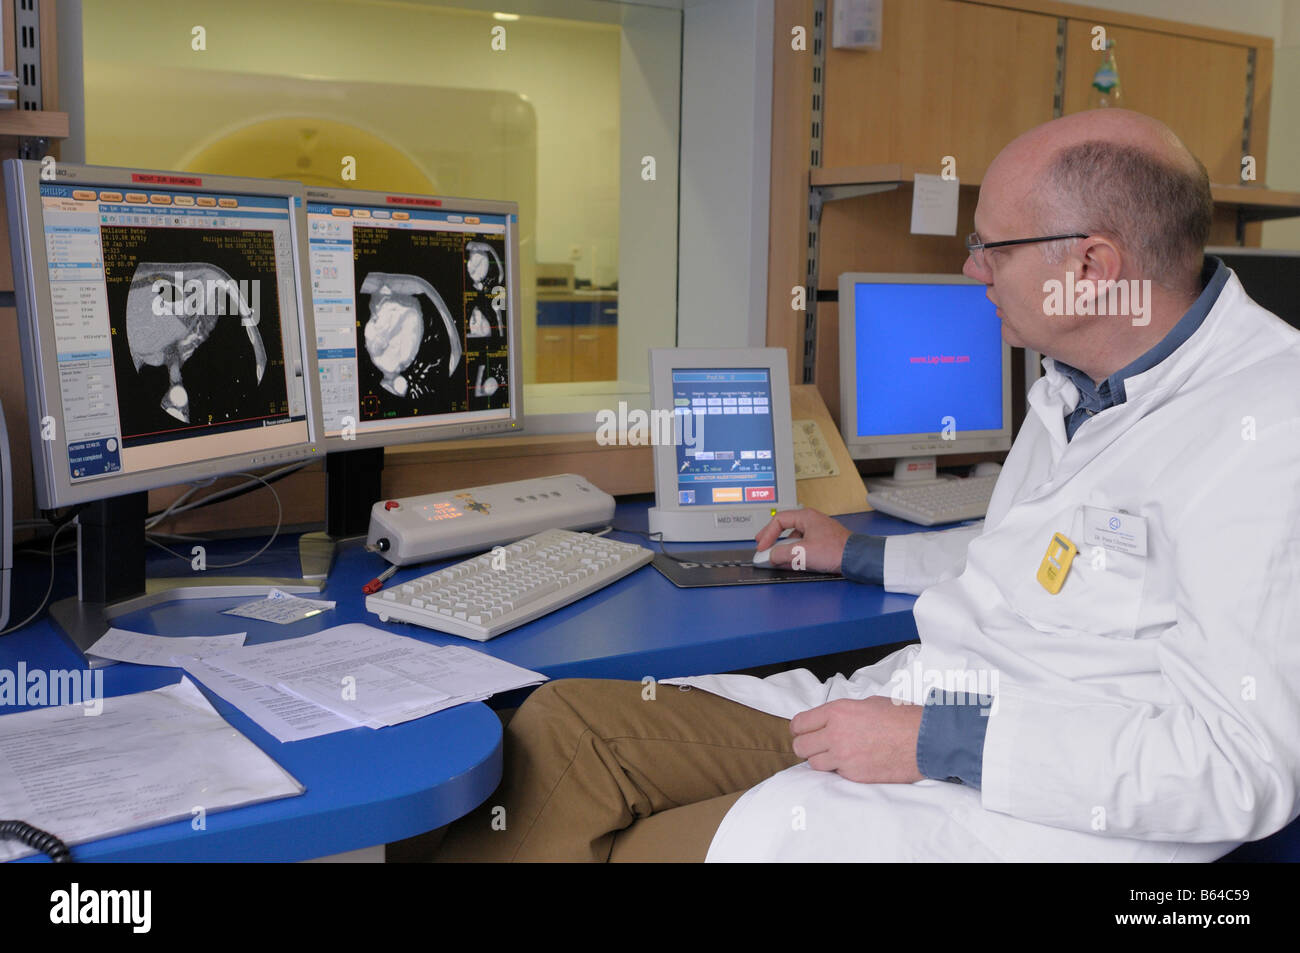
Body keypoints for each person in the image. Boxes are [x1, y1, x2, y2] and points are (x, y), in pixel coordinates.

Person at [433, 108, 1300, 862]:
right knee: (563, 733)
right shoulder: (1077, 380)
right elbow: (1048, 555)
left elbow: (1240, 768)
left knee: (633, 843)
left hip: (1033, 806)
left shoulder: (1269, 431)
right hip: (926, 703)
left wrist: (940, 740)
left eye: (991, 247)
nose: (973, 271)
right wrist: (860, 554)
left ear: (1097, 266)